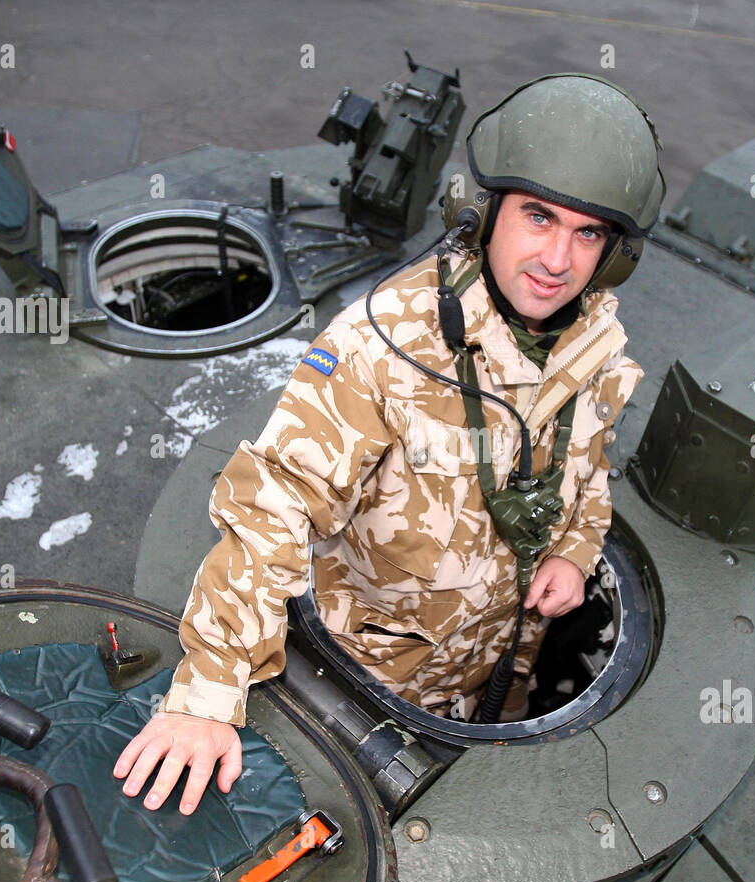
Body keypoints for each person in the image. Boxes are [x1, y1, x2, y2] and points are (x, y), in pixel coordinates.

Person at [114, 74, 665, 815]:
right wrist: (209, 691)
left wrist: (574, 547)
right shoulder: (383, 346)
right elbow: (274, 500)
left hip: (506, 663)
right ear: (484, 211)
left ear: (615, 253)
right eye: (538, 217)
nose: (558, 260)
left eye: (588, 233)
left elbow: (586, 466)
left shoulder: (591, 340)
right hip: (380, 683)